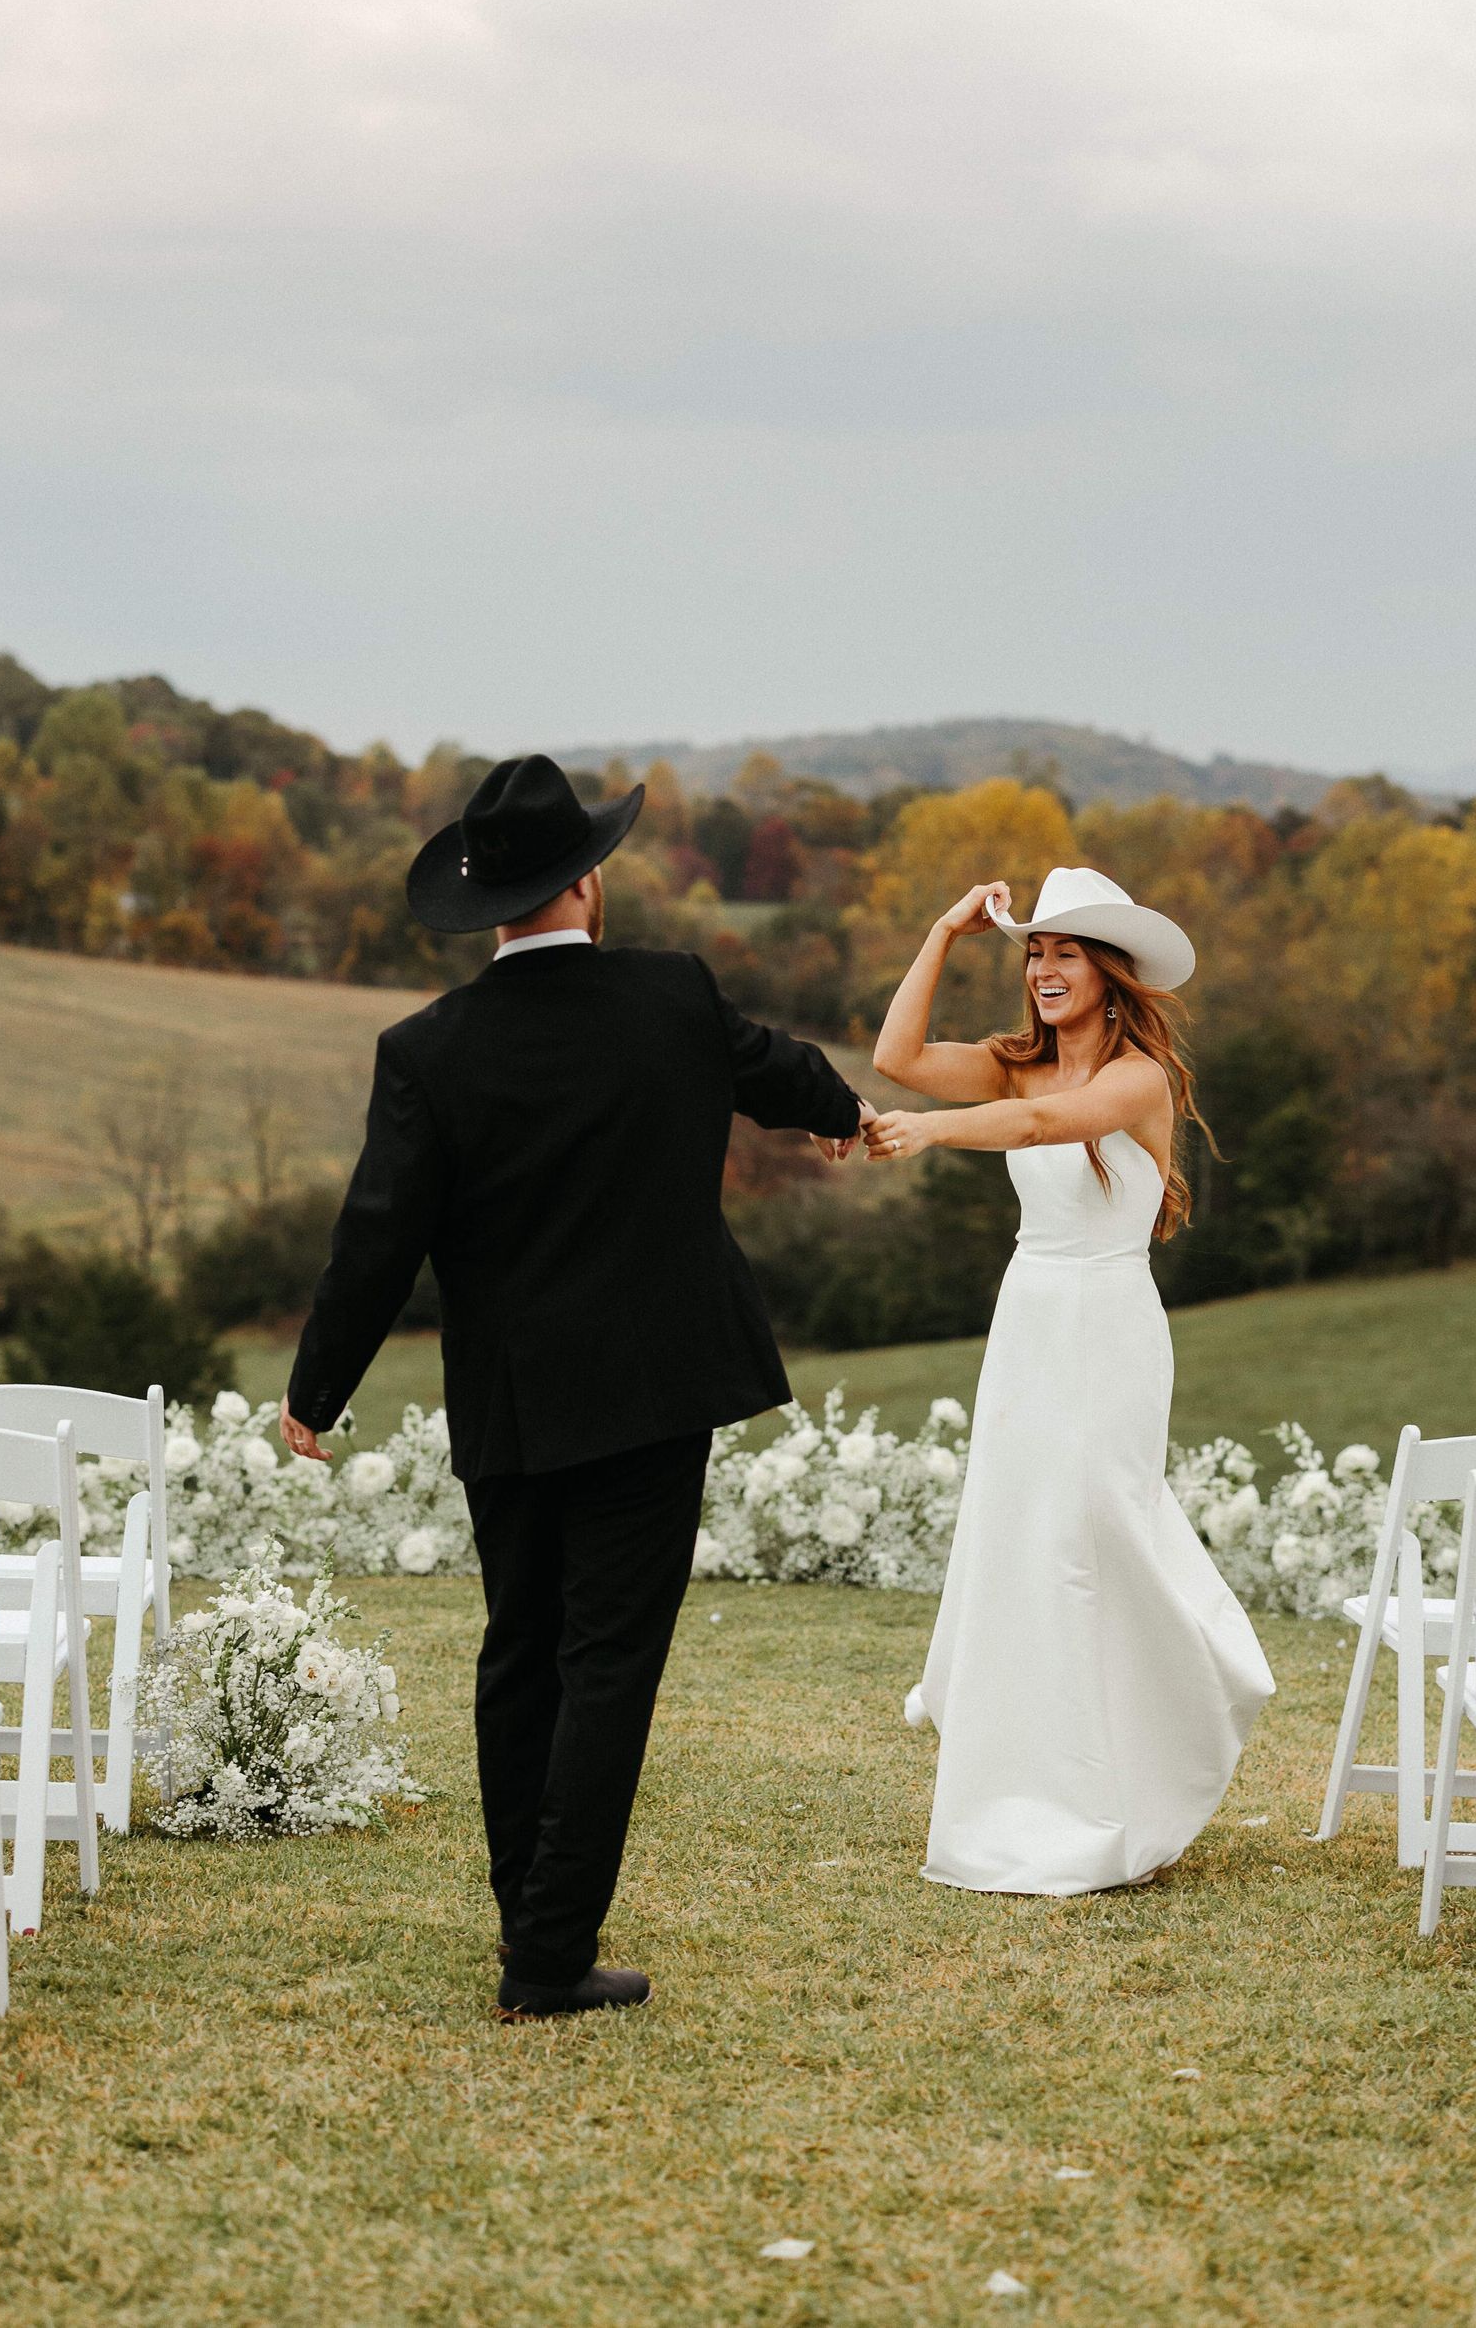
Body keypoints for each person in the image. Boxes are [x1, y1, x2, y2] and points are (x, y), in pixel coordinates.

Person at [282, 754, 868, 2016]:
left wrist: (314, 1391)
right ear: (588, 882)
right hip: (656, 1391)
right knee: (608, 1662)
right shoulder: (671, 995)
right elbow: (775, 1067)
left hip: (512, 1402)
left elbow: (375, 1233)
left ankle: (528, 1929)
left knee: (521, 1655)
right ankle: (548, 1953)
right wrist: (840, 1107)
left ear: (488, 904)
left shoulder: (425, 1049)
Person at [865, 864, 1271, 1895]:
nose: (1043, 967)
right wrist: (944, 927)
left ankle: (1191, 1694)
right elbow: (894, 1055)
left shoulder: (1139, 1077)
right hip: (1030, 1316)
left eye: (1064, 950)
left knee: (1096, 1532)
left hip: (1106, 1322)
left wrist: (928, 1131)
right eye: (1033, 950)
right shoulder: (1012, 1061)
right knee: (1025, 1542)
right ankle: (1028, 1787)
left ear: (1109, 969)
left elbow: (1049, 1127)